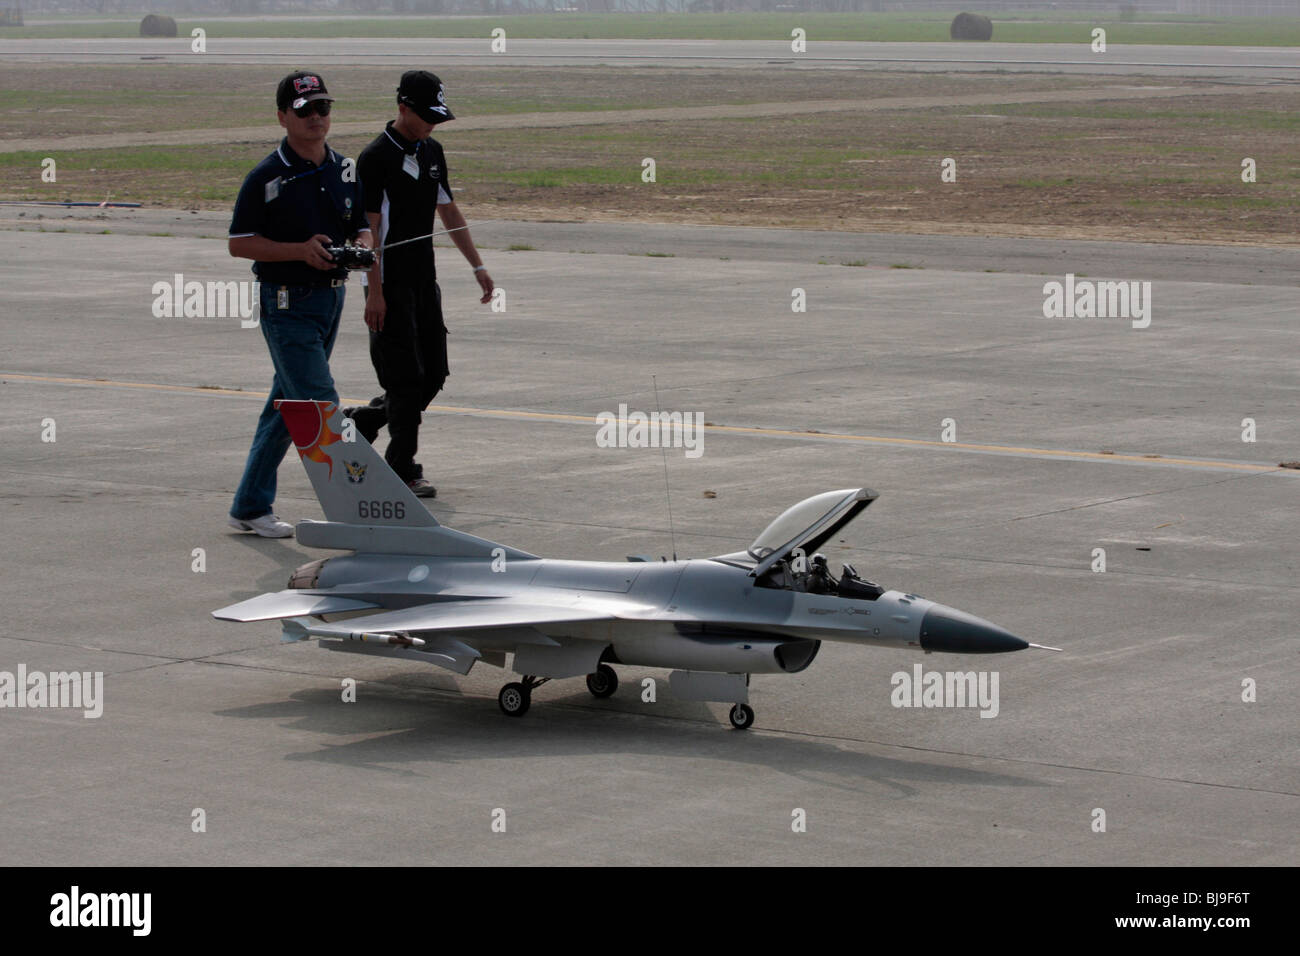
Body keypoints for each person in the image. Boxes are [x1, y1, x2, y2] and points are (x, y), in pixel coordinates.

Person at [226, 70, 370, 537]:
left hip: (332, 300)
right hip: (286, 303)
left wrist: (362, 244)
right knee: (322, 402)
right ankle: (359, 509)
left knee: (286, 406)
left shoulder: (345, 169)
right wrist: (300, 250)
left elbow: (360, 223)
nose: (316, 118)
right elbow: (240, 243)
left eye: (323, 108)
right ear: (283, 116)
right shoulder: (267, 176)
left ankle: (250, 506)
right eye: (305, 109)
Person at [344, 70, 493, 499]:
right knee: (405, 380)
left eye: (437, 117)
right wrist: (374, 290)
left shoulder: (432, 151)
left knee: (433, 373)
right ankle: (402, 467)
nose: (431, 124)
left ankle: (367, 421)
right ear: (402, 107)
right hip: (387, 283)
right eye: (425, 116)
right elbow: (368, 230)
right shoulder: (374, 159)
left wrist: (476, 266)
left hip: (424, 281)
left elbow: (448, 211)